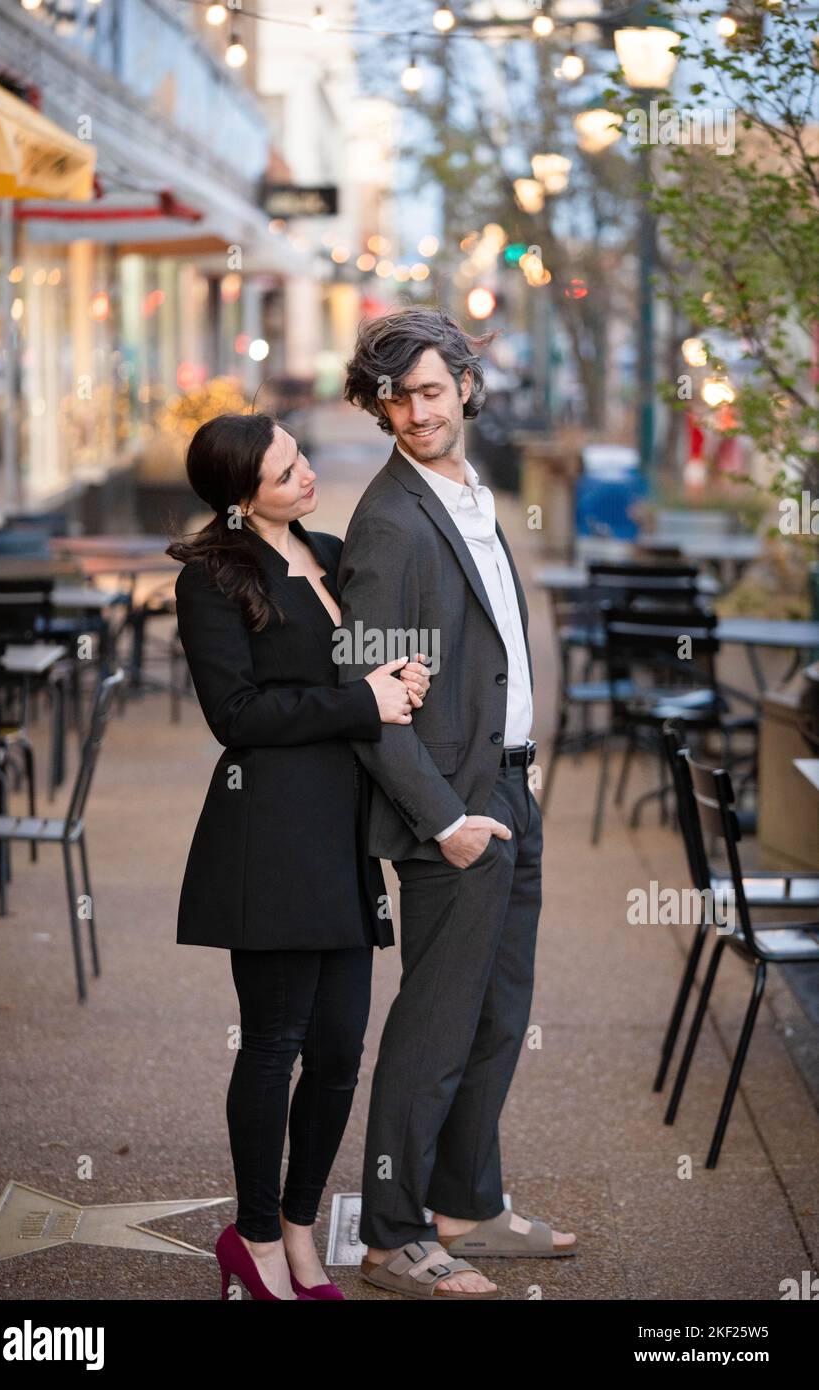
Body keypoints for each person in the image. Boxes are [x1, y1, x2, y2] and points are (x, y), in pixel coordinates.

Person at [337, 307, 577, 1301]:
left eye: (429, 390)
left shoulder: (473, 495)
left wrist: (520, 776)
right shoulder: (387, 520)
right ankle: (393, 1234)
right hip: (453, 815)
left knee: (495, 1018)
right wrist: (443, 819)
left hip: (508, 789)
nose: (413, 411)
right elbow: (365, 697)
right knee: (433, 1031)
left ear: (466, 386)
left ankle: (466, 1202)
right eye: (394, 397)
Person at [168, 411, 431, 1301]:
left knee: (339, 1052)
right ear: (241, 499)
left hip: (345, 836)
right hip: (271, 836)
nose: (307, 476)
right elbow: (235, 717)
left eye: (300, 457)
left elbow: (352, 673)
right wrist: (362, 701)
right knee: (274, 1044)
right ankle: (252, 1239)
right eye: (284, 474)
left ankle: (299, 1226)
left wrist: (399, 679)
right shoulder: (213, 577)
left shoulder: (325, 548)